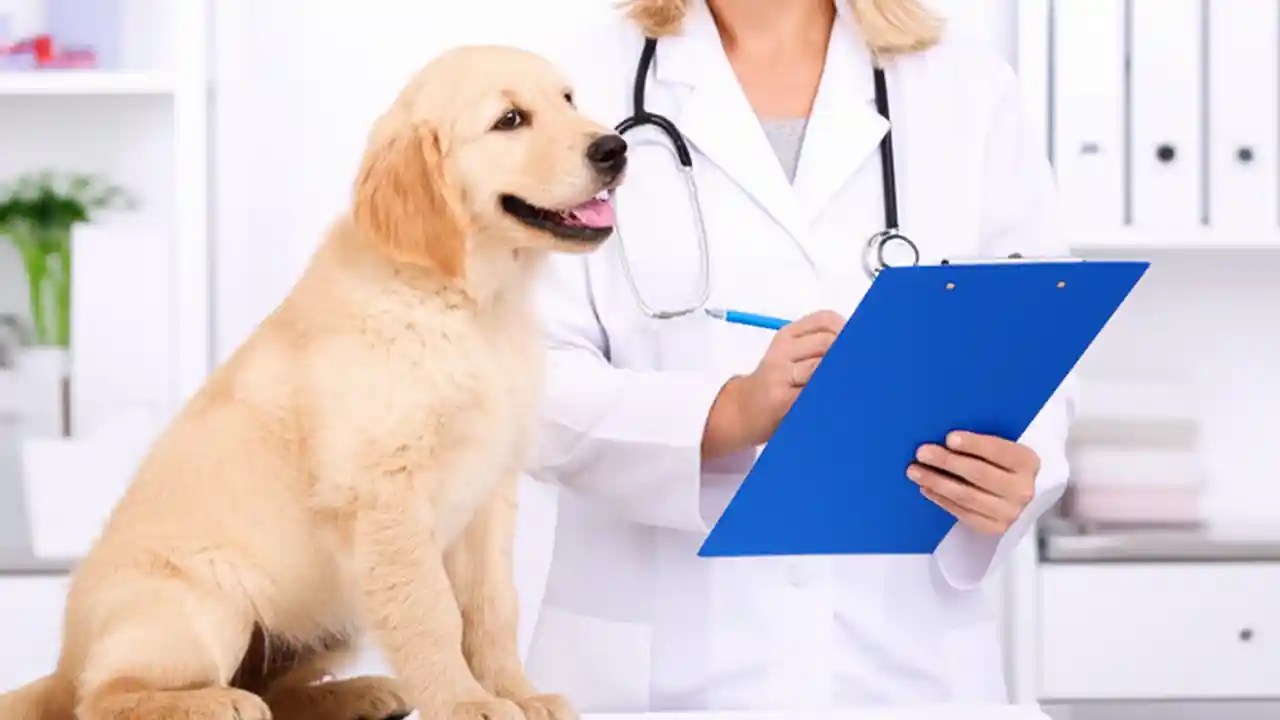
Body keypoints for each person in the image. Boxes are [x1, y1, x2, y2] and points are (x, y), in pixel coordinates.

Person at [523, 0, 1075, 710]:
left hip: (902, 666)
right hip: (656, 675)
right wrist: (727, 412)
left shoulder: (965, 85)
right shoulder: (576, 84)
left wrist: (1017, 466)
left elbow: (1033, 341)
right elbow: (524, 381)